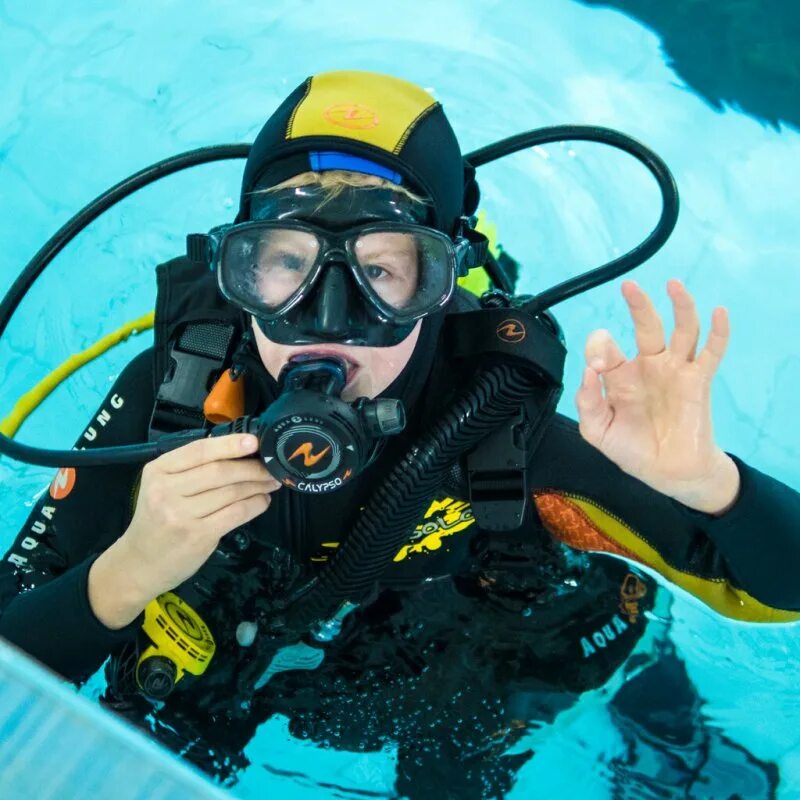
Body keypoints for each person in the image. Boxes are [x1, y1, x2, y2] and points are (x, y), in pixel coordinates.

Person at [1, 70, 798, 797]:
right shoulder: (175, 394)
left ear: (442, 286)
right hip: (246, 605)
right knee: (141, 725)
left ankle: (669, 728)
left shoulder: (499, 428)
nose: (329, 319)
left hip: (473, 621)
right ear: (235, 273)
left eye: (383, 270)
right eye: (284, 262)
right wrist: (127, 571)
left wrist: (711, 485)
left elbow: (780, 594)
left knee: (450, 767)